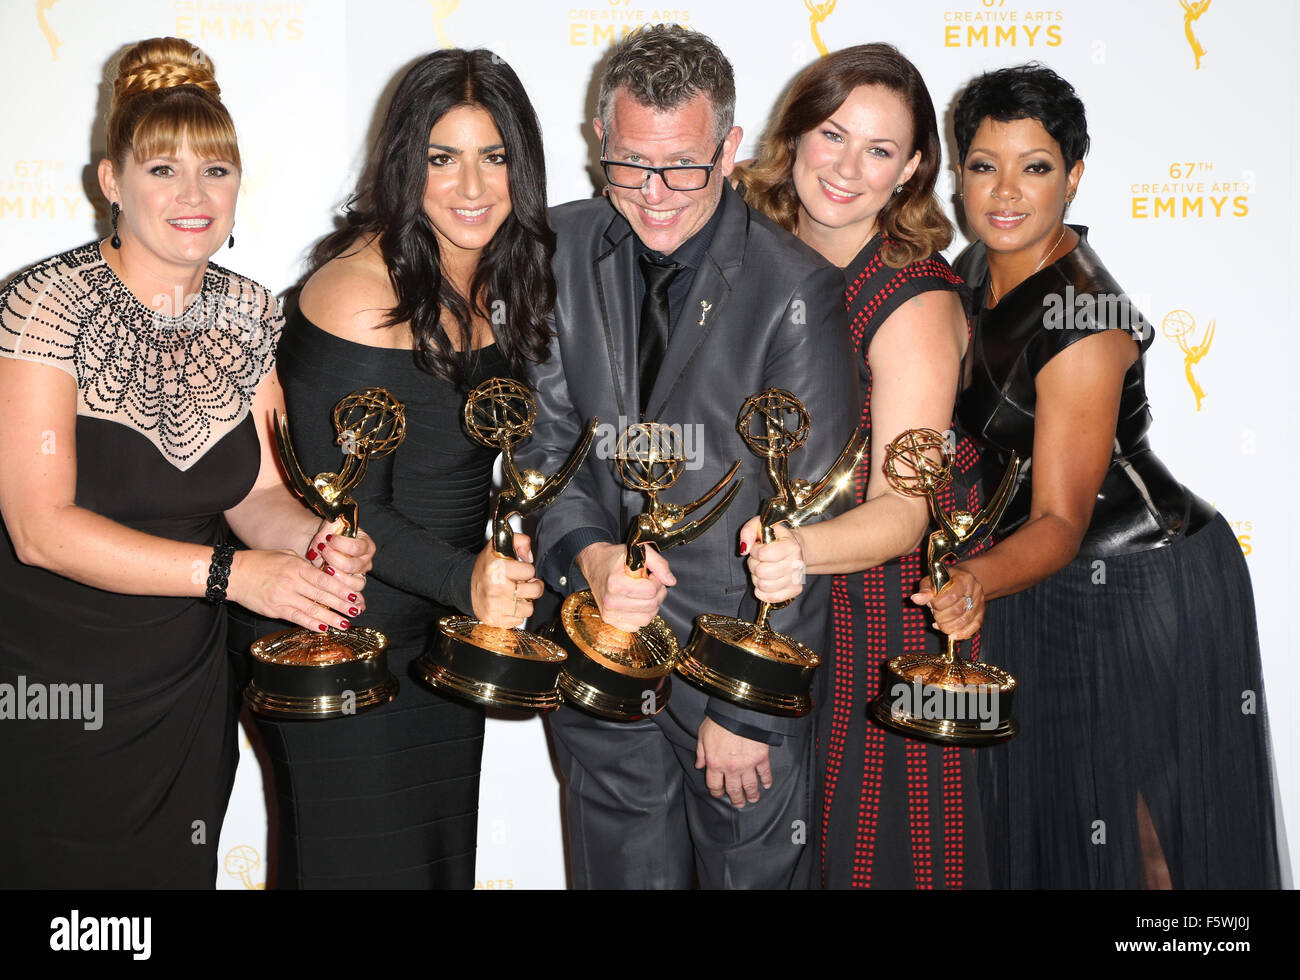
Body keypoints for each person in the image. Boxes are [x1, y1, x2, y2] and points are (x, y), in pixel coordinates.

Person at [0, 36, 372, 888]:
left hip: (182, 693)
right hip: (47, 689)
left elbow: (263, 492)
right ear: (110, 183)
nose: (194, 195)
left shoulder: (247, 312)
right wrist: (238, 578)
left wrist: (314, 543)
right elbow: (38, 529)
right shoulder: (45, 305)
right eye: (162, 169)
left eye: (216, 170)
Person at [518, 24, 858, 889]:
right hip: (599, 652)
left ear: (731, 149)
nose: (656, 193)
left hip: (731, 671)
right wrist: (591, 561)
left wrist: (750, 705)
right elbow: (546, 453)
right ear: (601, 141)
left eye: (684, 167)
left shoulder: (796, 288)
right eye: (630, 165)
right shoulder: (551, 251)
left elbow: (809, 516)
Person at [927, 63, 1281, 888]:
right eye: (984, 165)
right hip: (1040, 584)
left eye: (1036, 166)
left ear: (1074, 175)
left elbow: (1059, 519)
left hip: (1142, 581)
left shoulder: (1084, 322)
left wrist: (971, 577)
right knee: (1064, 832)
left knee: (1148, 843)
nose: (1006, 191)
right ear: (959, 173)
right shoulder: (978, 270)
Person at [231, 49, 552, 889]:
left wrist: (497, 570)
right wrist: (465, 578)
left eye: (495, 156)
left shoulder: (486, 283)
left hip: (437, 639)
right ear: (406, 164)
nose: (473, 185)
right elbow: (340, 510)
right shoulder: (361, 295)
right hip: (344, 642)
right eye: (443, 157)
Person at [735, 43, 989, 889]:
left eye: (879, 150)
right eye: (832, 135)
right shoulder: (746, 250)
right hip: (765, 589)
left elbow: (907, 511)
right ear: (795, 133)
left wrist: (793, 556)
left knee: (878, 858)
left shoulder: (912, 298)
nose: (846, 168)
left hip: (878, 610)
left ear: (912, 168)